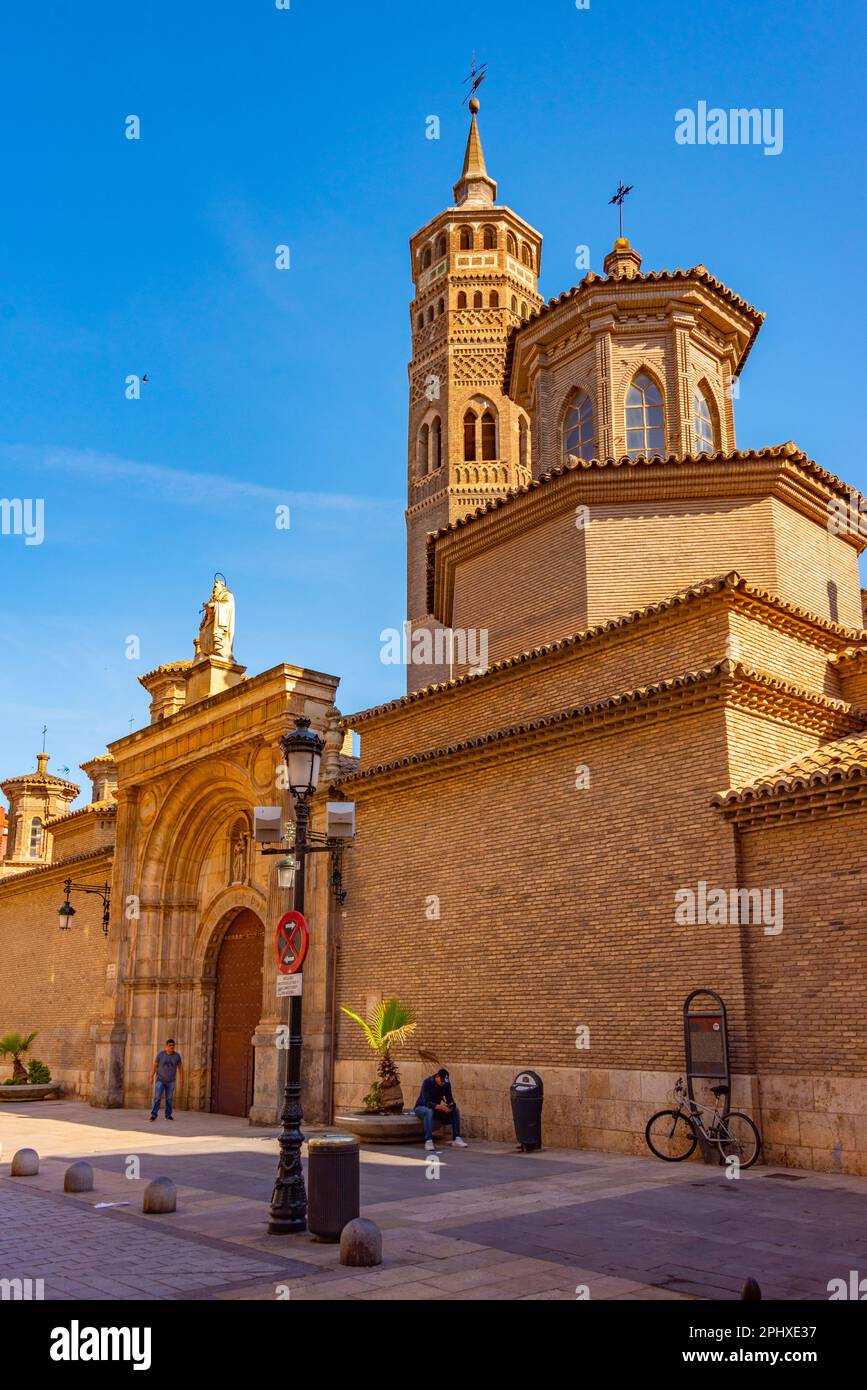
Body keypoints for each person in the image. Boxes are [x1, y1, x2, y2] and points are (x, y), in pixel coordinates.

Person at [414, 1068, 468, 1151]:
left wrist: (450, 1107)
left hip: (436, 1108)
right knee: (429, 1111)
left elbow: (450, 1099)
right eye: (441, 1081)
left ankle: (456, 1138)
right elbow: (426, 1102)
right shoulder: (427, 1082)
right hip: (421, 1107)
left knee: (455, 1110)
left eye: (444, 1082)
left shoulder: (446, 1084)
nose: (443, 1083)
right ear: (437, 1077)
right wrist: (439, 1106)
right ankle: (428, 1140)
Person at [149, 1039, 183, 1121]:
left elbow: (181, 1068)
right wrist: (151, 1076)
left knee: (169, 1099)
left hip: (171, 1081)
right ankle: (153, 1115)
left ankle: (168, 1115)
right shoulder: (161, 1055)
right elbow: (155, 1066)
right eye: (170, 1045)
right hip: (160, 1080)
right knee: (157, 1098)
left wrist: (182, 1079)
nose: (172, 1047)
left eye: (173, 1045)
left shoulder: (177, 1056)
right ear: (166, 1046)